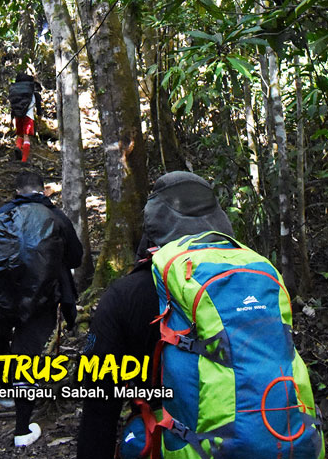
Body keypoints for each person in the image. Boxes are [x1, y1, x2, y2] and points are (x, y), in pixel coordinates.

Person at [75, 171, 235, 459]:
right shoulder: (249, 279)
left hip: (172, 442)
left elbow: (99, 402)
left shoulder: (125, 295)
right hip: (261, 437)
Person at [0, 167, 83, 448]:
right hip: (41, 299)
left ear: (17, 192)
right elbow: (76, 259)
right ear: (43, 191)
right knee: (25, 358)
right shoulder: (57, 217)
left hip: (0, 297)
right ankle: (22, 430)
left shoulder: (1, 215)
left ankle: (8, 390)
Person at [9, 71, 42, 163]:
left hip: (17, 115)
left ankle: (18, 147)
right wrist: (39, 121)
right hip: (29, 117)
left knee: (19, 134)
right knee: (26, 136)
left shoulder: (17, 92)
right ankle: (24, 160)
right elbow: (39, 110)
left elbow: (13, 105)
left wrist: (11, 120)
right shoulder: (34, 94)